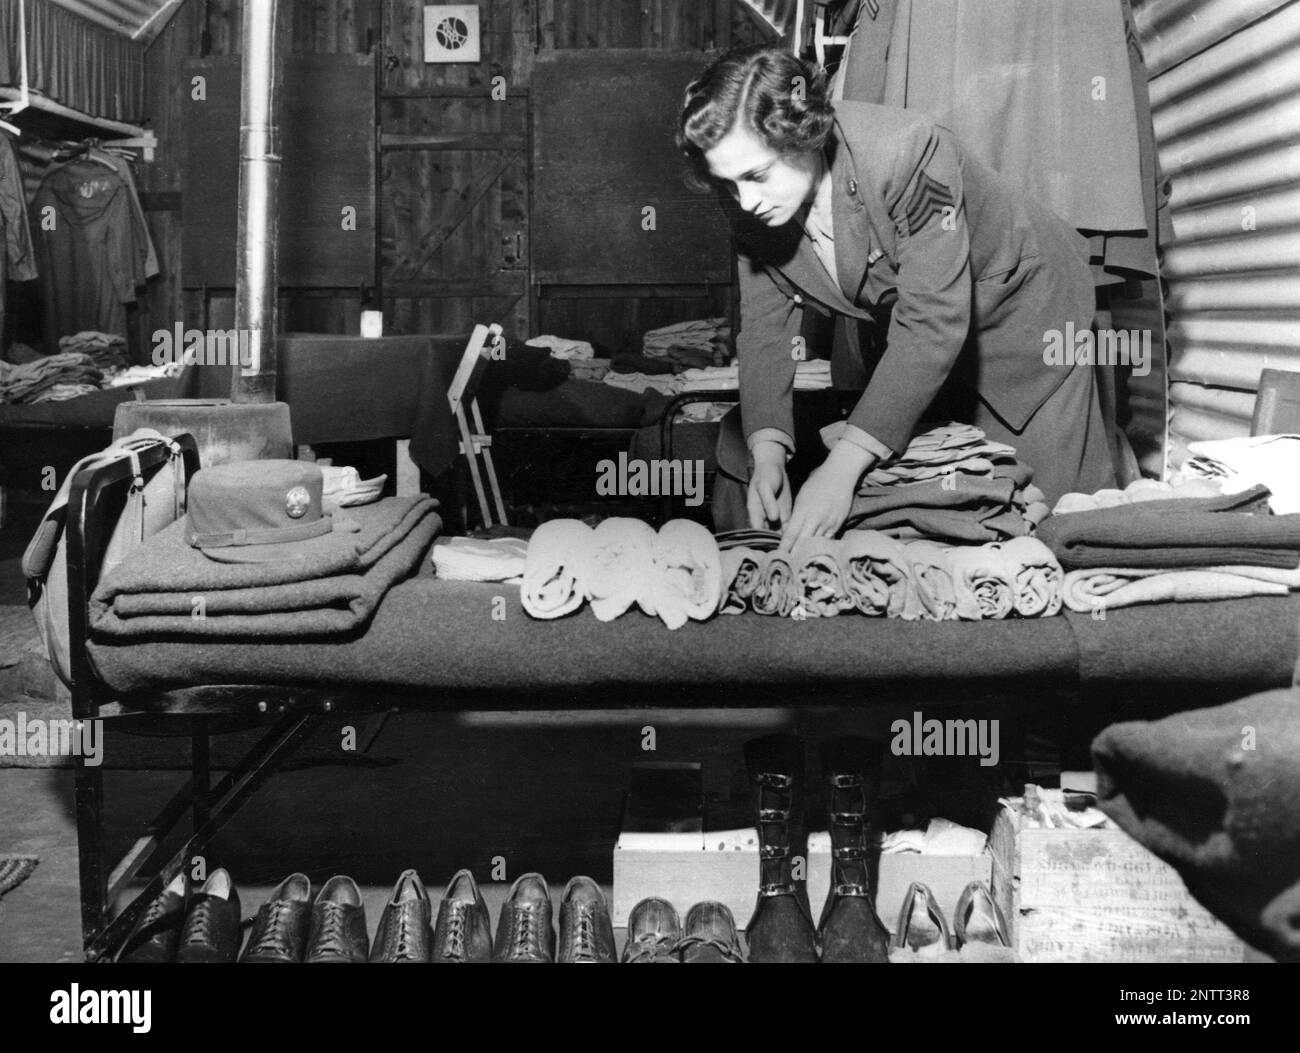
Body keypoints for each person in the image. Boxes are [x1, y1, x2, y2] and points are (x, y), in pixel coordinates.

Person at [676, 45, 1117, 545]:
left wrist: (840, 472)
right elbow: (763, 329)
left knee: (1054, 525)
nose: (745, 202)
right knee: (950, 512)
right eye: (728, 184)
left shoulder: (913, 154)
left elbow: (933, 322)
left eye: (756, 177)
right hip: (925, 338)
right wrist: (768, 450)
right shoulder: (744, 191)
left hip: (1026, 317)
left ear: (804, 135)